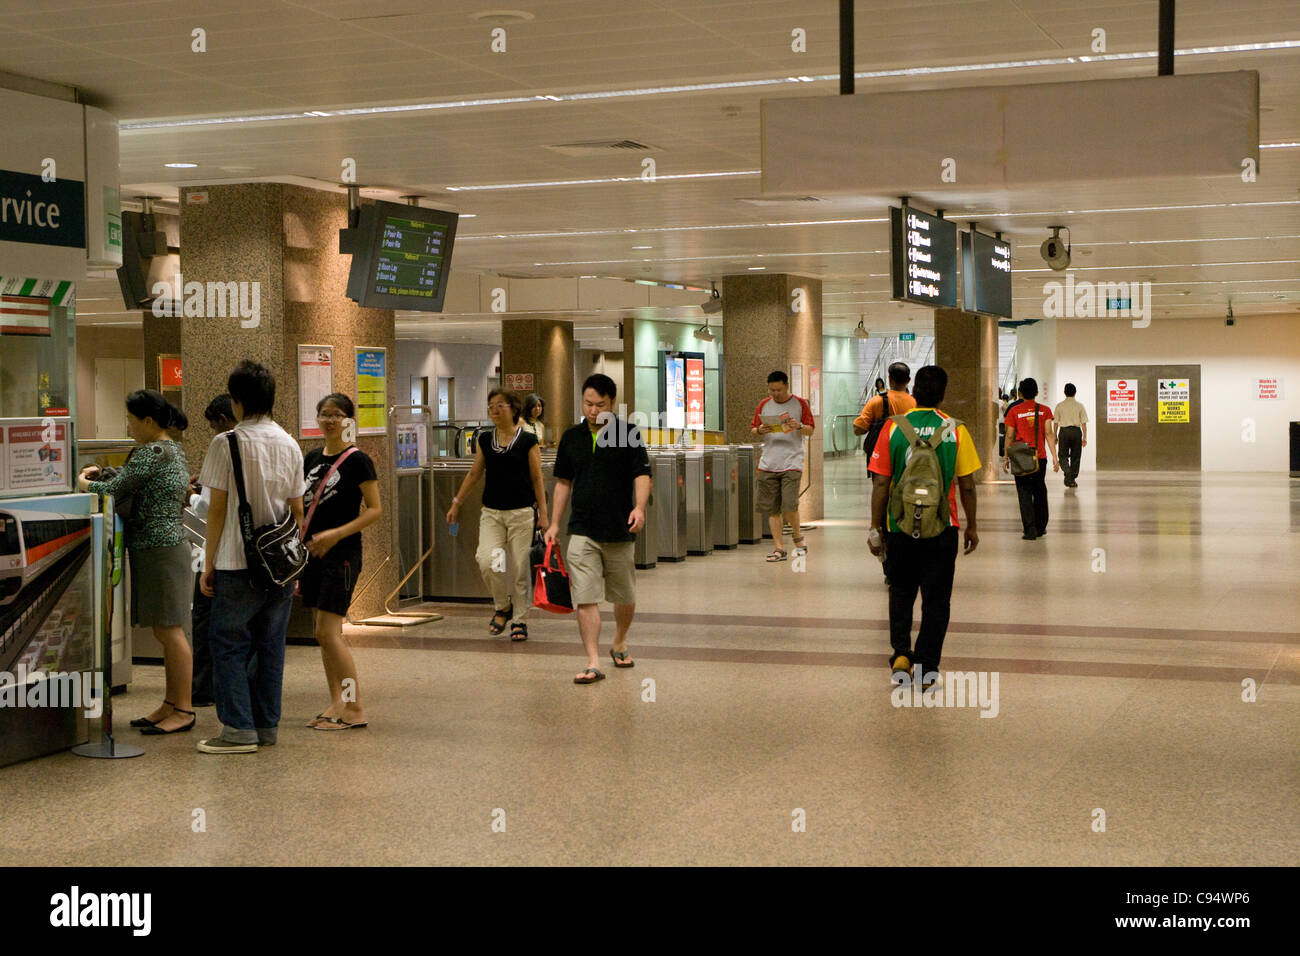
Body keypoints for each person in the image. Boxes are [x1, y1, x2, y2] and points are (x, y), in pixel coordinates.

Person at [195, 360, 306, 754]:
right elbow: (298, 511)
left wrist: (208, 565)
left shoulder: (226, 443)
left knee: (228, 643)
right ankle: (266, 726)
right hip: (279, 566)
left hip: (235, 563)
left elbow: (217, 510)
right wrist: (292, 564)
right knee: (270, 646)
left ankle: (238, 729)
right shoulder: (291, 444)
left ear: (237, 401)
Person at [78, 390, 194, 734]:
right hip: (158, 548)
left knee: (171, 631)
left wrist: (84, 483)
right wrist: (106, 472)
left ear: (147, 421)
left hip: (161, 549)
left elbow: (117, 489)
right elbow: (131, 479)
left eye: (130, 419)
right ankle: (170, 703)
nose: (127, 426)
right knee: (165, 629)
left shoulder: (153, 450)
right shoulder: (167, 449)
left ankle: (184, 709)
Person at [866, 366, 980, 689]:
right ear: (942, 394)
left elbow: (881, 484)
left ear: (915, 391)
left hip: (900, 527)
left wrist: (876, 527)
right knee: (937, 600)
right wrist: (972, 526)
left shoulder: (892, 428)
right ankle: (927, 667)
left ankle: (901, 655)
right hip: (942, 527)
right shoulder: (955, 429)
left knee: (900, 592)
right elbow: (967, 485)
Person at [546, 374, 651, 685]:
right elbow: (563, 483)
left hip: (619, 528)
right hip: (582, 529)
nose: (593, 410)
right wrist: (554, 523)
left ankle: (619, 641)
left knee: (624, 596)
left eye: (600, 405)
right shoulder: (572, 437)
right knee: (586, 597)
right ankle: (593, 661)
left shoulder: (627, 434)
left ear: (613, 404)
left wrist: (639, 507)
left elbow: (642, 475)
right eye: (588, 404)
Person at [302, 393, 381, 731]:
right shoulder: (312, 458)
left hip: (343, 555)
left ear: (349, 420)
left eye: (336, 414)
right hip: (313, 554)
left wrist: (336, 534)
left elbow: (375, 510)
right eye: (324, 414)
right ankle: (336, 701)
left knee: (330, 632)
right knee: (322, 633)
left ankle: (354, 707)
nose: (329, 420)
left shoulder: (358, 460)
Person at [446, 387, 549, 642]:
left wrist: (544, 515)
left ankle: (520, 619)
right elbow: (474, 473)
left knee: (520, 567)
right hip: (491, 512)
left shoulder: (527, 441)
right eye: (491, 406)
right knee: (487, 561)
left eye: (500, 405)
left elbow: (537, 478)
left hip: (522, 513)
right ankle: (503, 606)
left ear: (513, 409)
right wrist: (457, 502)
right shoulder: (484, 440)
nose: (494, 410)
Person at [187, 394, 238, 707]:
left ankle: (203, 687)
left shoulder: (223, 445)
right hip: (251, 553)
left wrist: (190, 497)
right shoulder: (275, 443)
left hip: (217, 551)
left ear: (222, 419)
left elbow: (207, 508)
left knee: (205, 622)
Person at [750, 370, 815, 562]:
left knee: (789, 505)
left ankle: (798, 538)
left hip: (792, 461)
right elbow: (754, 429)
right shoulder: (764, 404)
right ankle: (779, 548)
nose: (775, 394)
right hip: (768, 462)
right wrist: (759, 430)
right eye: (771, 390)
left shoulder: (800, 404)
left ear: (786, 386)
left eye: (778, 390)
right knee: (772, 509)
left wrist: (799, 426)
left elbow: (811, 430)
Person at [1003, 377, 1060, 540]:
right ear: (1036, 392)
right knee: (1040, 490)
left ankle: (1029, 530)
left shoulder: (1014, 411)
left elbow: (1009, 435)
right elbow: (1049, 433)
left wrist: (1006, 456)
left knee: (1024, 492)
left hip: (1020, 457)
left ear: (1020, 393)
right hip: (1039, 457)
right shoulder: (1045, 410)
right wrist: (1055, 457)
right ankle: (1041, 527)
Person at [853, 362, 915, 438]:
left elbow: (858, 429)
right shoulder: (916, 403)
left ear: (889, 379)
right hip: (908, 448)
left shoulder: (876, 401)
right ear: (908, 380)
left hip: (883, 448)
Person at [1053, 383, 1089, 488]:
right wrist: (1085, 437)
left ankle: (1067, 472)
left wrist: (1055, 435)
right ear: (1075, 393)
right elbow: (1084, 423)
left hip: (1064, 432)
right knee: (1076, 456)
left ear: (1064, 392)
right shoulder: (1080, 406)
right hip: (1076, 432)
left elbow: (1055, 423)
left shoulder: (1059, 406)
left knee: (1062, 455)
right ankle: (1072, 478)